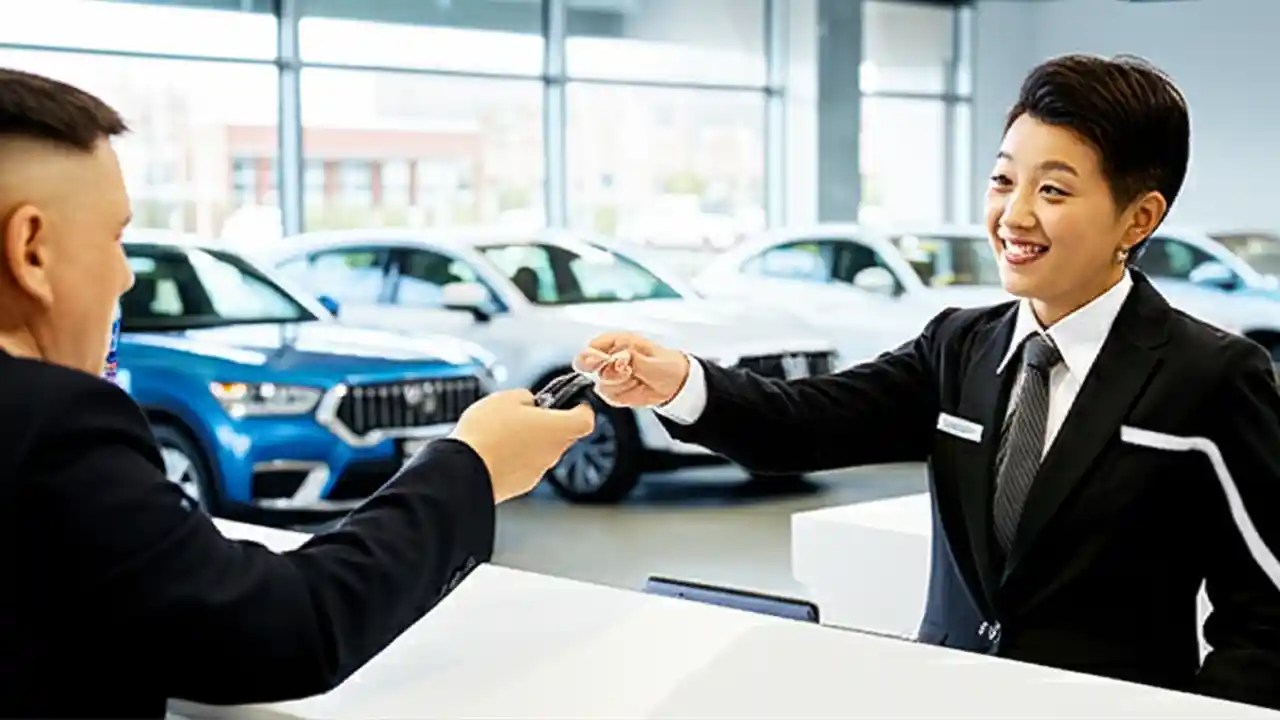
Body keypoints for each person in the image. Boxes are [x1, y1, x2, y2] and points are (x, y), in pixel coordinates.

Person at [578, 54, 1280, 709]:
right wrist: (679, 384)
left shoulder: (1210, 377)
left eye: (1054, 190)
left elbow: (1269, 612)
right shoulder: (960, 347)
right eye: (1004, 180)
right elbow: (800, 424)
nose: (1015, 215)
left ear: (1140, 216)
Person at [0, 67, 594, 718]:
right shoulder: (51, 425)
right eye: (116, 239)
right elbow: (279, 628)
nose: (123, 279)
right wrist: (473, 466)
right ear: (31, 249)